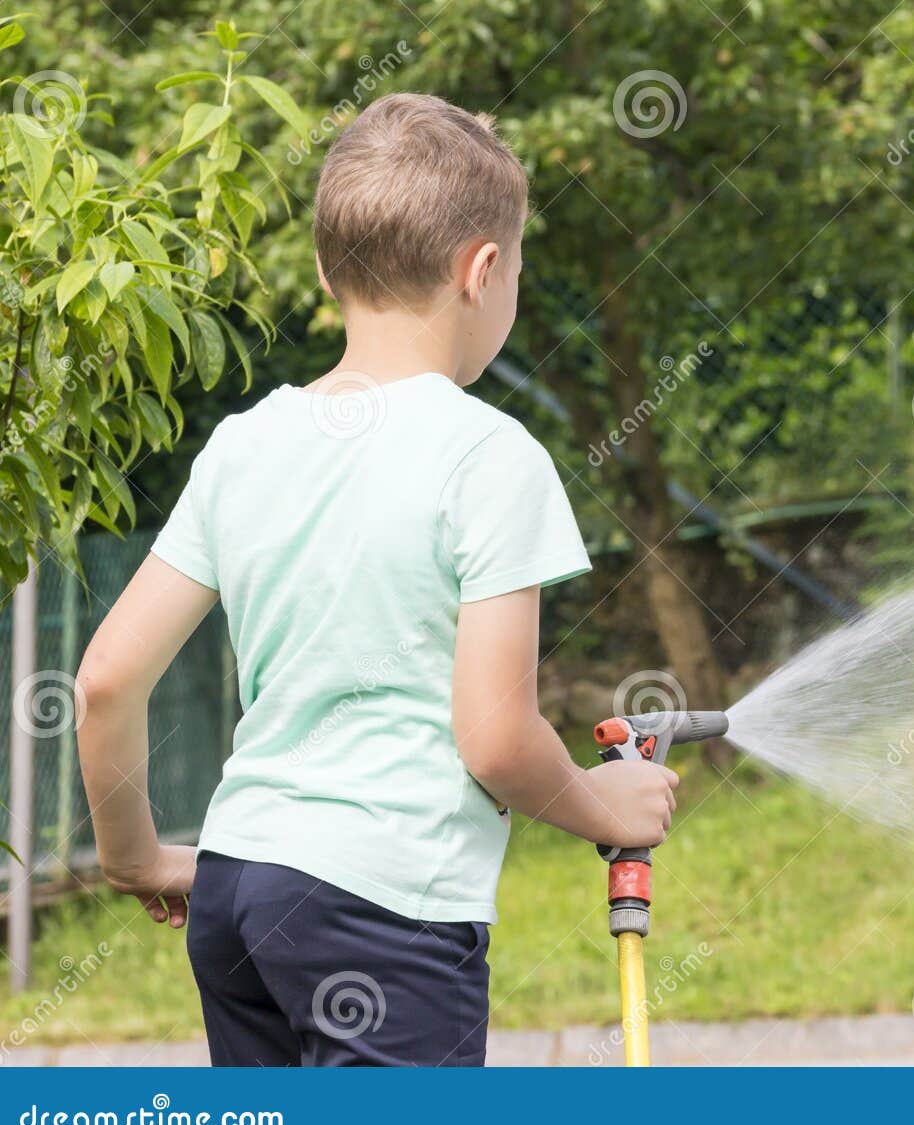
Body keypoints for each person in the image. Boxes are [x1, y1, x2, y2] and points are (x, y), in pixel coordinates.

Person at [74, 93, 679, 1067]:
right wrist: (606, 805)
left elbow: (104, 679)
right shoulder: (491, 455)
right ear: (483, 271)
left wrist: (135, 857)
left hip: (236, 901)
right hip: (379, 912)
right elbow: (494, 736)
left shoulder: (244, 443)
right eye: (516, 268)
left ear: (326, 268)